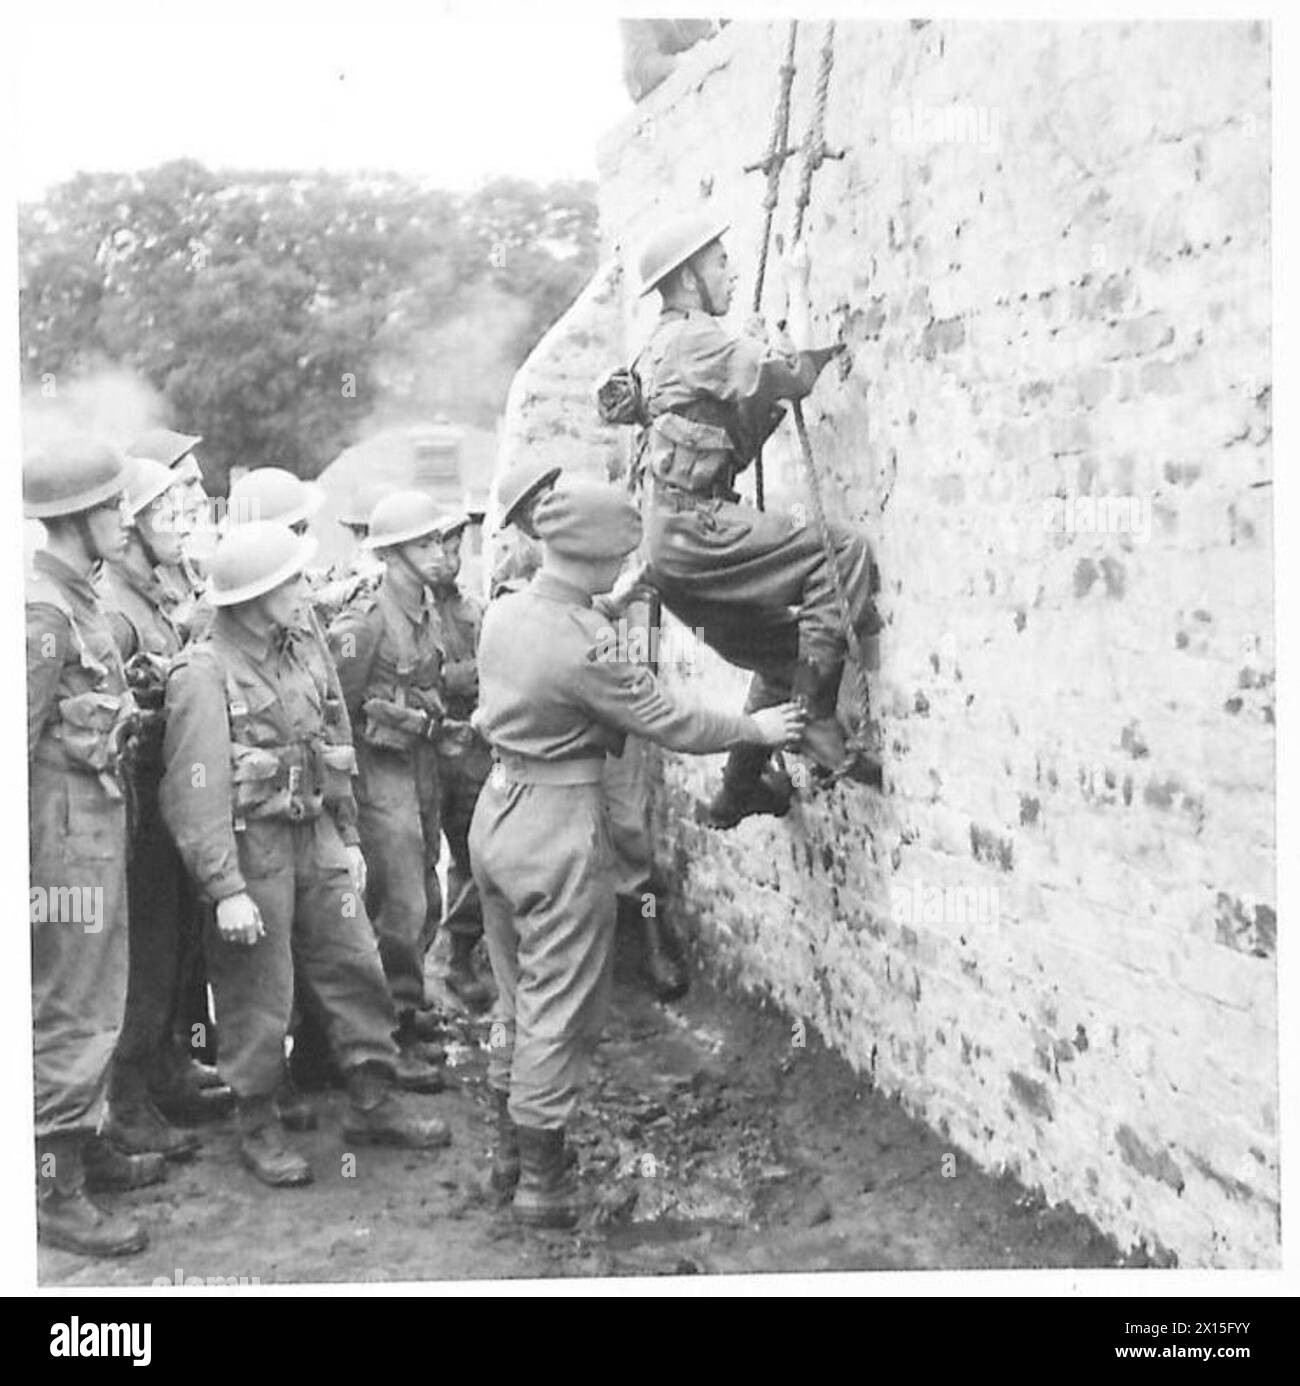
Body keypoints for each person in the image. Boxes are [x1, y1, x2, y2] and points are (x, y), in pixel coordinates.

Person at [470, 480, 805, 1227]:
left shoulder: (508, 612)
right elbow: (664, 716)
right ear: (598, 558)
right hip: (557, 825)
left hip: (499, 814)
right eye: (618, 558)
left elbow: (566, 641)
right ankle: (543, 1190)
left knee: (517, 996)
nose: (624, 567)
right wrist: (757, 731)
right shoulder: (584, 645)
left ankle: (507, 1158)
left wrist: (609, 605)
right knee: (562, 1006)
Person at [159, 521, 452, 1187]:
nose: (300, 590)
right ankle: (257, 1120)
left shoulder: (303, 642)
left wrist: (347, 835)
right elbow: (193, 790)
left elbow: (335, 736)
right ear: (254, 596)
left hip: (315, 833)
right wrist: (225, 888)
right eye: (287, 581)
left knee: (355, 961)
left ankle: (372, 1098)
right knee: (257, 989)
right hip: (250, 846)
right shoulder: (202, 673)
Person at [607, 211, 884, 827]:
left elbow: (738, 433)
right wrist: (802, 294)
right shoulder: (693, 338)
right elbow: (788, 377)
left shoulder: (662, 347)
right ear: (686, 280)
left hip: (671, 553)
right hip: (694, 530)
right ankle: (813, 725)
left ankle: (739, 787)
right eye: (719, 264)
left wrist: (761, 364)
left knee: (785, 656)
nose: (729, 273)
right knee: (843, 555)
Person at [27, 438, 161, 1257]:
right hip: (62, 846)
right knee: (70, 1007)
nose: (124, 518)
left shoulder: (76, 598)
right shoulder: (42, 613)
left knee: (101, 994)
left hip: (96, 829)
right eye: (114, 507)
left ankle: (88, 1144)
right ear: (79, 518)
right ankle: (54, 1190)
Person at [492, 459, 688, 1001]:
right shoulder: (518, 569)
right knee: (561, 849)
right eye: (526, 511)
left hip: (615, 709)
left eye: (544, 496)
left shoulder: (599, 536)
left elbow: (637, 619)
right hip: (556, 723)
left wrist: (633, 676)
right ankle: (554, 969)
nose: (539, 513)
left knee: (628, 830)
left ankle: (651, 938)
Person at [97, 458, 232, 1159]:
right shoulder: (116, 608)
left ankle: (167, 1064)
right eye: (166, 513)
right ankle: (125, 1098)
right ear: (130, 527)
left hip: (178, 791)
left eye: (186, 510)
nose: (182, 523)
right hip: (141, 805)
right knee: (144, 951)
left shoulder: (157, 593)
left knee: (178, 942)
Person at [328, 492, 456, 1053]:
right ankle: (381, 1031)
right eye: (423, 543)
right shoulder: (367, 620)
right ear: (393, 553)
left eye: (437, 540)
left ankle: (406, 1001)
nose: (438, 552)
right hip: (378, 774)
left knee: (426, 886)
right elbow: (337, 707)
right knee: (399, 901)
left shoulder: (427, 610)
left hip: (421, 764)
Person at [423, 511, 494, 1012]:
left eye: (456, 550)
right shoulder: (410, 613)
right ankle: (411, 978)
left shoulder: (476, 612)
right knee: (418, 862)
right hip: (423, 750)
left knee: (475, 855)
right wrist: (454, 678)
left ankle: (460, 955)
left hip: (471, 748)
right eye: (440, 550)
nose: (449, 561)